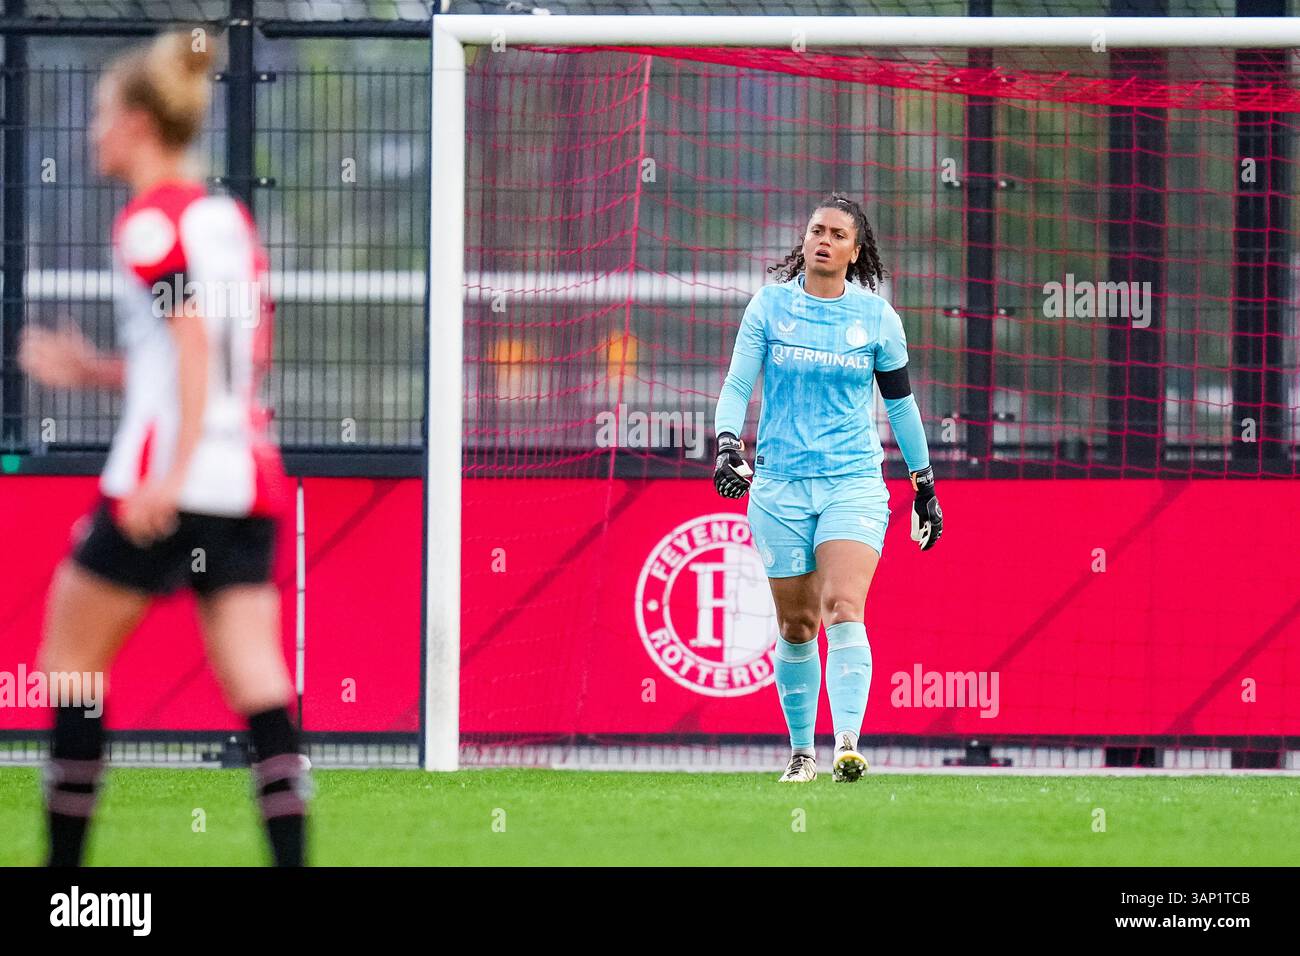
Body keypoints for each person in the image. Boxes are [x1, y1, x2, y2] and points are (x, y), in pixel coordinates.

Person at [19, 30, 309, 864]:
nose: (92, 131)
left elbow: (187, 343)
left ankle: (66, 888)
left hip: (167, 480)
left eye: (102, 113)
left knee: (69, 661)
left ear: (140, 124)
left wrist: (169, 475)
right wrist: (100, 370)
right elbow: (224, 354)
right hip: (246, 479)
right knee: (259, 685)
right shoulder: (227, 219)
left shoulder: (149, 224)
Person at [712, 193, 943, 783]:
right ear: (804, 240)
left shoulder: (877, 319)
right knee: (797, 627)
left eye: (838, 234)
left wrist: (923, 483)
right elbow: (739, 383)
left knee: (844, 607)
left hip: (854, 483)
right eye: (817, 230)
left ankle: (846, 743)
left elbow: (902, 405)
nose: (824, 239)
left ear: (854, 250)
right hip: (780, 487)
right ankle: (800, 753)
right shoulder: (768, 308)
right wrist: (726, 444)